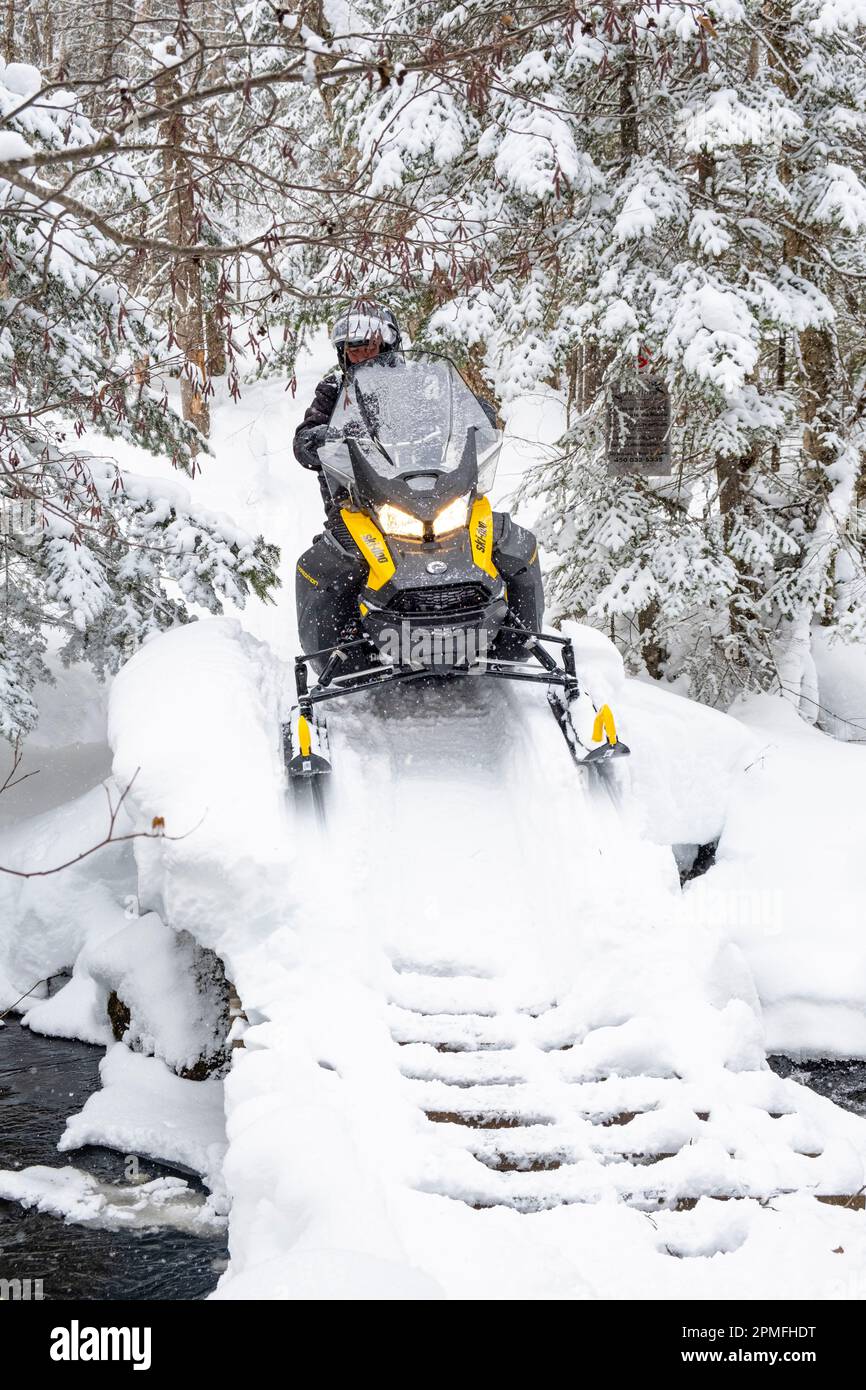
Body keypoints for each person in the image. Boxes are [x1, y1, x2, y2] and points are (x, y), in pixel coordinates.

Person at [293, 301, 543, 667]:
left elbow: (457, 408)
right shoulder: (334, 388)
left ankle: (517, 636)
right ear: (343, 352)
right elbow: (305, 436)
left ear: (389, 345)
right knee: (333, 563)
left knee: (510, 543)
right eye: (354, 348)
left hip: (430, 488)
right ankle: (338, 654)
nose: (362, 354)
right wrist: (314, 439)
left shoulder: (421, 382)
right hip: (360, 498)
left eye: (369, 346)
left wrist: (479, 420)